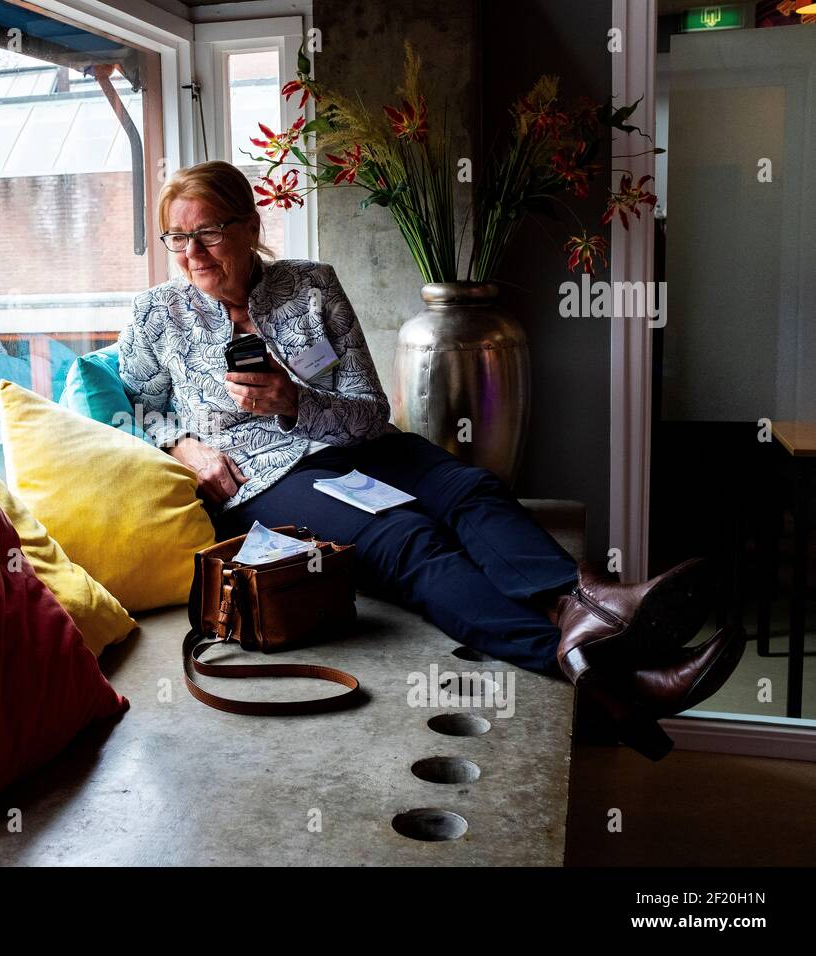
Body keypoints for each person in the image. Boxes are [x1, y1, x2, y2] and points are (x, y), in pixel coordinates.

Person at [118, 160, 745, 760]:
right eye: (177, 236)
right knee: (408, 539)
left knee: (471, 489)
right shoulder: (155, 314)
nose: (191, 252)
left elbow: (368, 409)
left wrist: (294, 400)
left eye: (207, 232)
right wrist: (182, 445)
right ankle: (619, 681)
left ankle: (581, 606)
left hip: (354, 440)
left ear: (251, 227)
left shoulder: (312, 285)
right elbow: (132, 408)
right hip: (263, 476)